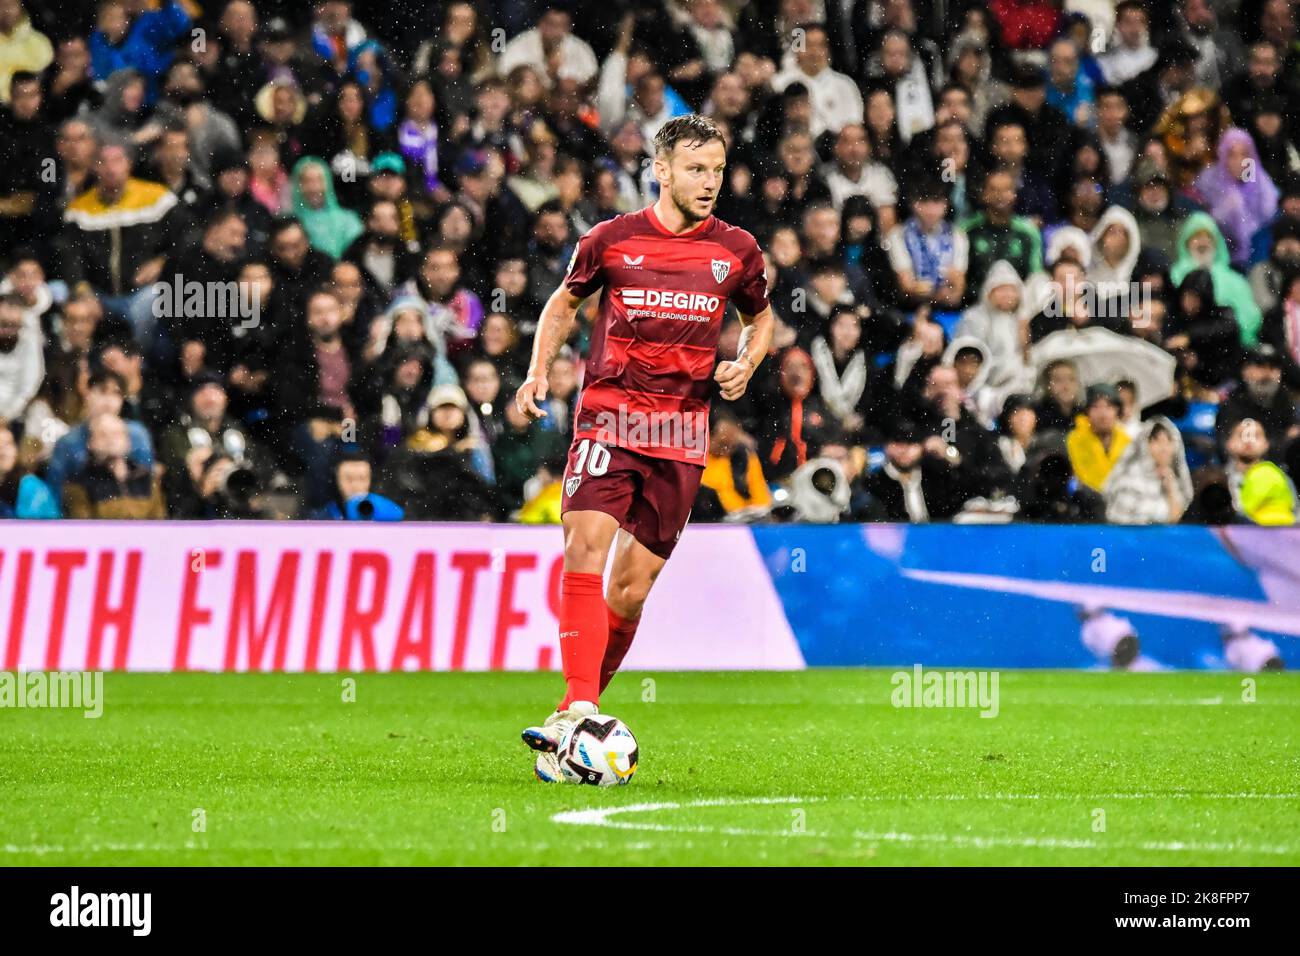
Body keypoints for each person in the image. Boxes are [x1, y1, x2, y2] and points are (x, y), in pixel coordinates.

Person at [512, 115, 773, 783]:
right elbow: (562, 305)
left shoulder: (737, 250)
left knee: (629, 590)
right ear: (661, 170)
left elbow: (760, 316)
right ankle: (577, 707)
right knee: (584, 545)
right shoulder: (611, 240)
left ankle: (575, 719)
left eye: (716, 169)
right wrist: (540, 371)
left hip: (681, 436)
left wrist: (746, 361)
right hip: (608, 418)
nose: (708, 181)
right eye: (695, 169)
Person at [1103, 417, 1193, 524]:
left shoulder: (1174, 479)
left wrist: (1170, 488)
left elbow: (1175, 518)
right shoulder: (1129, 477)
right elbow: (1120, 517)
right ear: (1145, 444)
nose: (1163, 448)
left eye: (1168, 441)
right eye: (1157, 441)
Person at [1066, 383, 1131, 492]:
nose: (1103, 414)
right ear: (1087, 411)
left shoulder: (1127, 441)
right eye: (1096, 406)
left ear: (1117, 411)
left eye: (1109, 406)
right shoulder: (1074, 440)